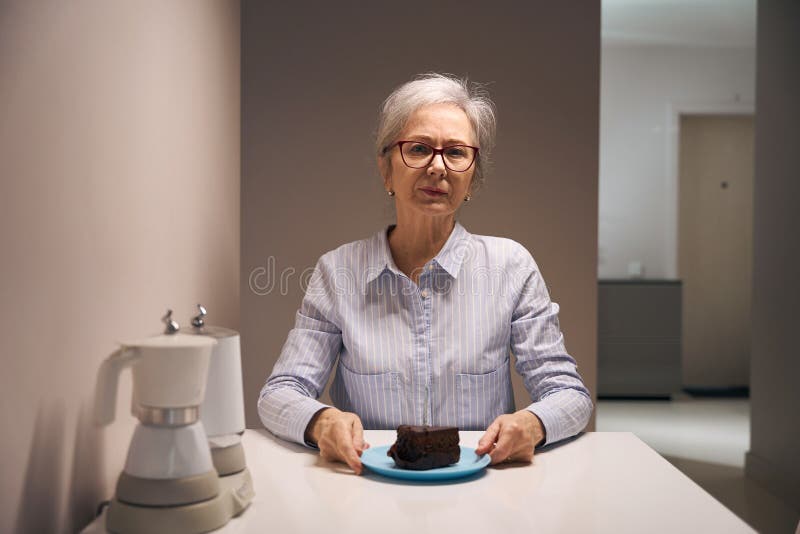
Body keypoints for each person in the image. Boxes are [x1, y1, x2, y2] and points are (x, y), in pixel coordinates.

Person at [258, 73, 593, 475]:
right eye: (418, 149)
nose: (438, 167)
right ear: (386, 170)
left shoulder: (511, 266)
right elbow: (280, 393)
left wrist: (534, 423)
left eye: (455, 153)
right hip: (369, 489)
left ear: (473, 178)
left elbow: (568, 394)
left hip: (481, 494)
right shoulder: (337, 272)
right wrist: (321, 421)